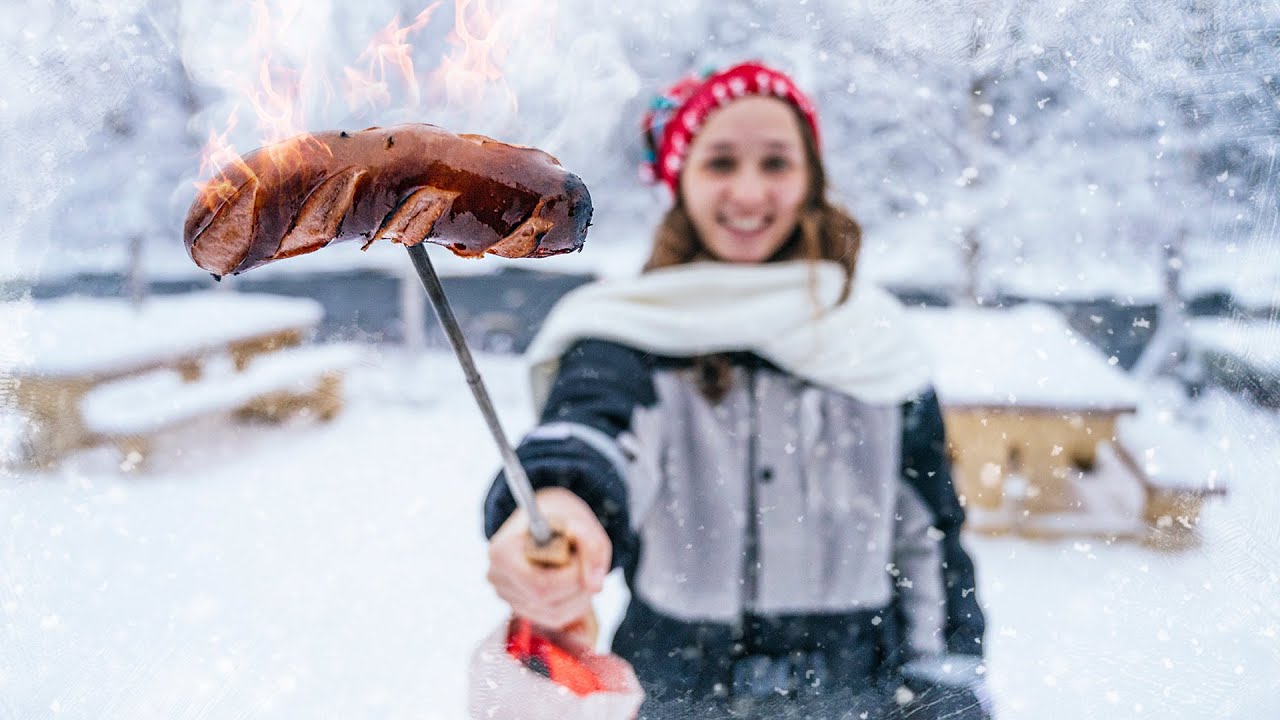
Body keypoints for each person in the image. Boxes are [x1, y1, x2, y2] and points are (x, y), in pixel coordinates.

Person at [483, 60, 992, 719]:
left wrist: (944, 682)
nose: (749, 192)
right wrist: (559, 505)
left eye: (776, 162)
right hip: (678, 693)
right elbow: (591, 428)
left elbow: (927, 534)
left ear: (809, 177)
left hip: (859, 694)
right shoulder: (633, 331)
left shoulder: (873, 340)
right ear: (681, 180)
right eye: (720, 162)